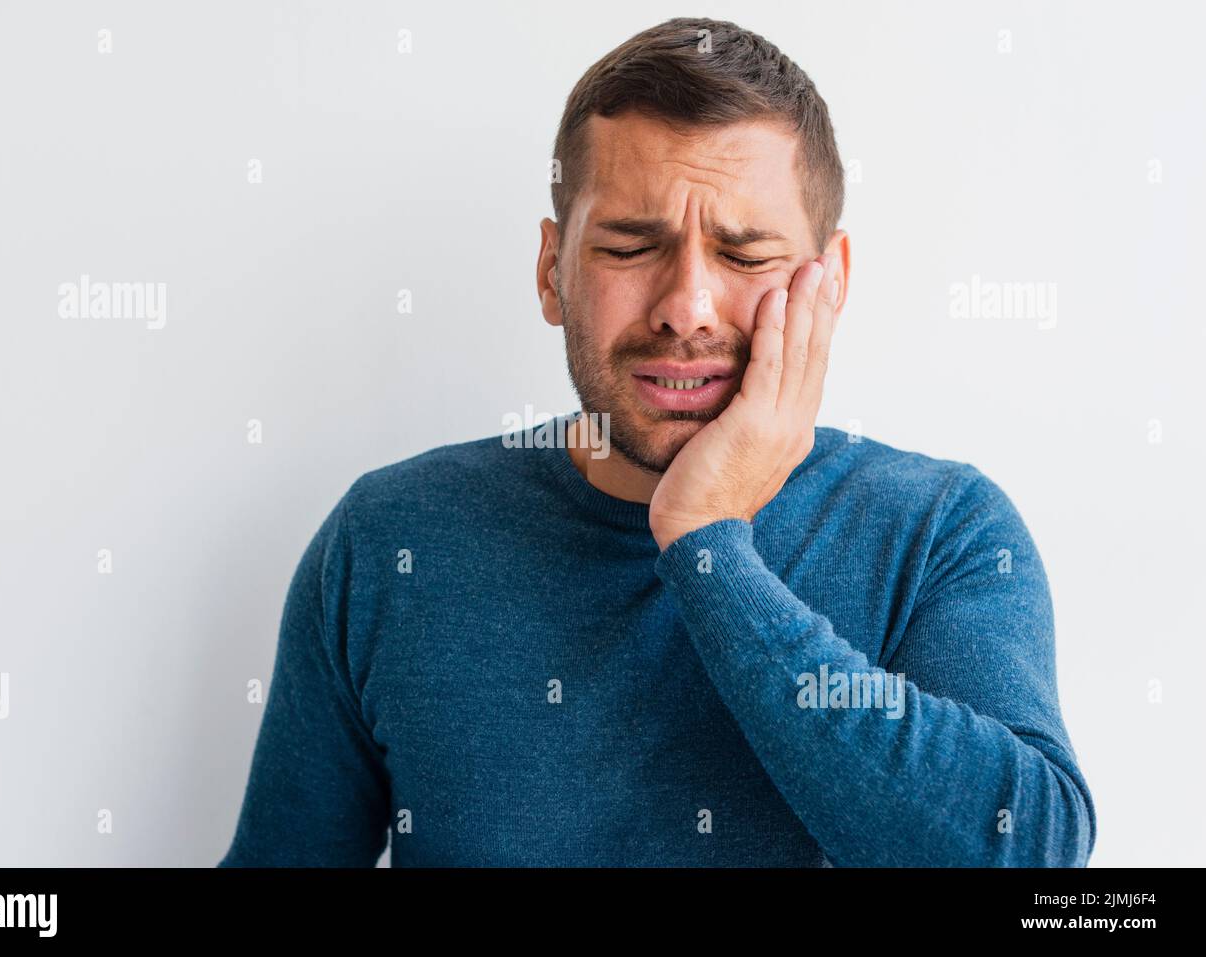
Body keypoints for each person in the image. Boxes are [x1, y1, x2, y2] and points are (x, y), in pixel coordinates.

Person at [218, 16, 1096, 867]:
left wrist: (709, 542)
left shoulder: (938, 530)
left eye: (746, 256)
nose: (687, 306)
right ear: (549, 271)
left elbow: (1029, 859)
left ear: (830, 284)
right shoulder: (388, 539)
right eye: (633, 246)